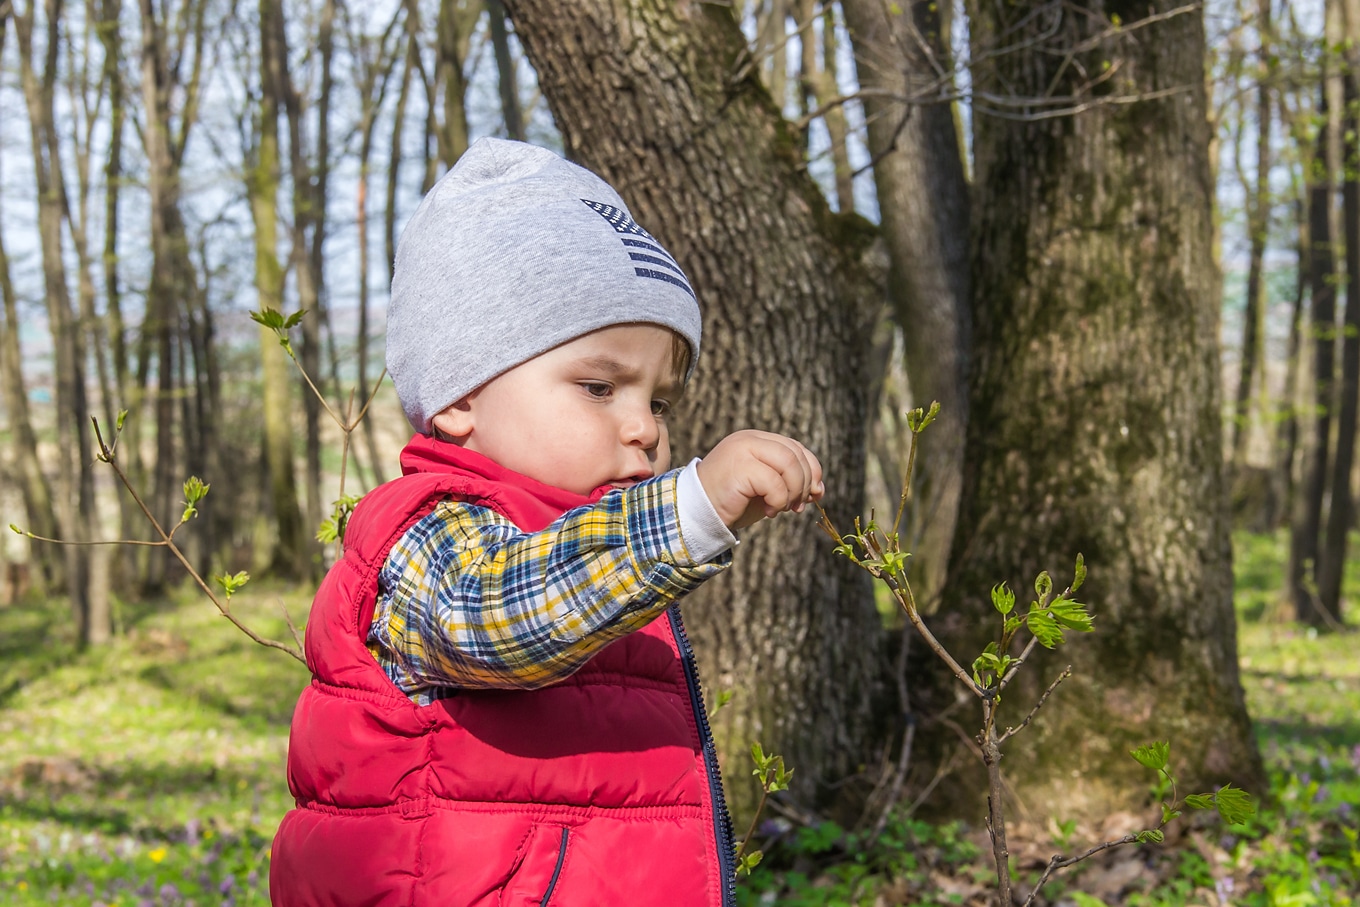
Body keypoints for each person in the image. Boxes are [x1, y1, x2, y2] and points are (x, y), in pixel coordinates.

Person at [269, 138, 823, 907]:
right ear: (461, 394)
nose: (646, 430)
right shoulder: (430, 535)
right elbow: (496, 616)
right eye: (599, 387)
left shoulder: (586, 551)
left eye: (659, 401)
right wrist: (689, 510)